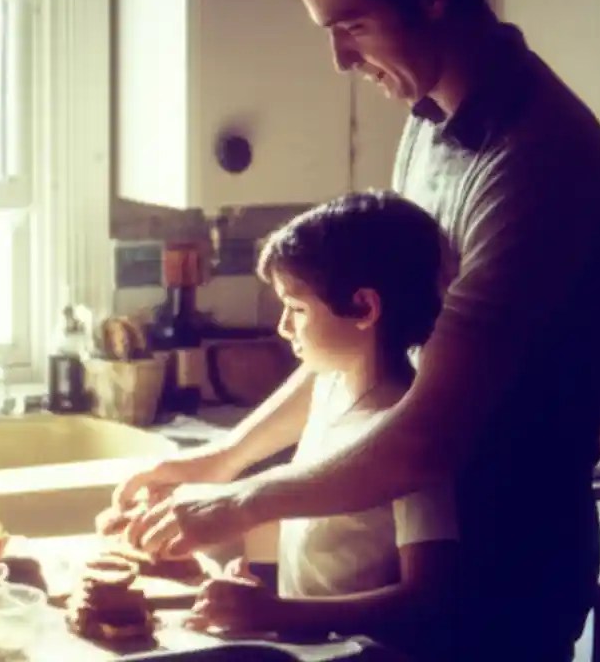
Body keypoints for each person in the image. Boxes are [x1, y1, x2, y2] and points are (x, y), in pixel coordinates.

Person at [101, 0, 600, 659]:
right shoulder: (428, 125)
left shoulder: (537, 158)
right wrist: (220, 459)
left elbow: (426, 439)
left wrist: (241, 498)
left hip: (500, 583)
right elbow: (356, 348)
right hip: (413, 575)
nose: (340, 60)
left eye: (350, 26)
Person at [177, 191, 456, 654]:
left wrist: (277, 612)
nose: (284, 326)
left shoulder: (406, 433)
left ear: (365, 309)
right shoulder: (330, 387)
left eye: (298, 308)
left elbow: (428, 600)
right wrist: (259, 593)